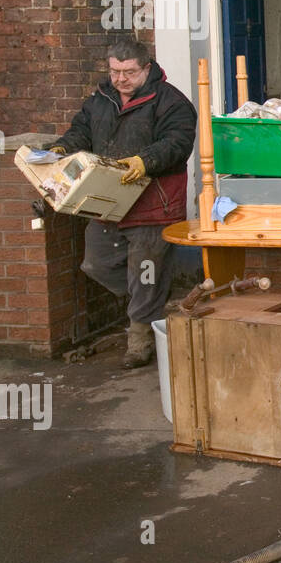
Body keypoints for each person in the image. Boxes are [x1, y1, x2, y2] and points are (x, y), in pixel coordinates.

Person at [49, 38, 197, 368]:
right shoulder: (100, 100)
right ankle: (155, 306)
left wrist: (146, 160)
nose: (120, 79)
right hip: (109, 202)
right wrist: (62, 148)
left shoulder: (171, 102)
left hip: (154, 204)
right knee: (96, 263)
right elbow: (80, 131)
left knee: (145, 275)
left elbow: (177, 142)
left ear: (147, 68)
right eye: (115, 71)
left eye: (128, 72)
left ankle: (140, 341)